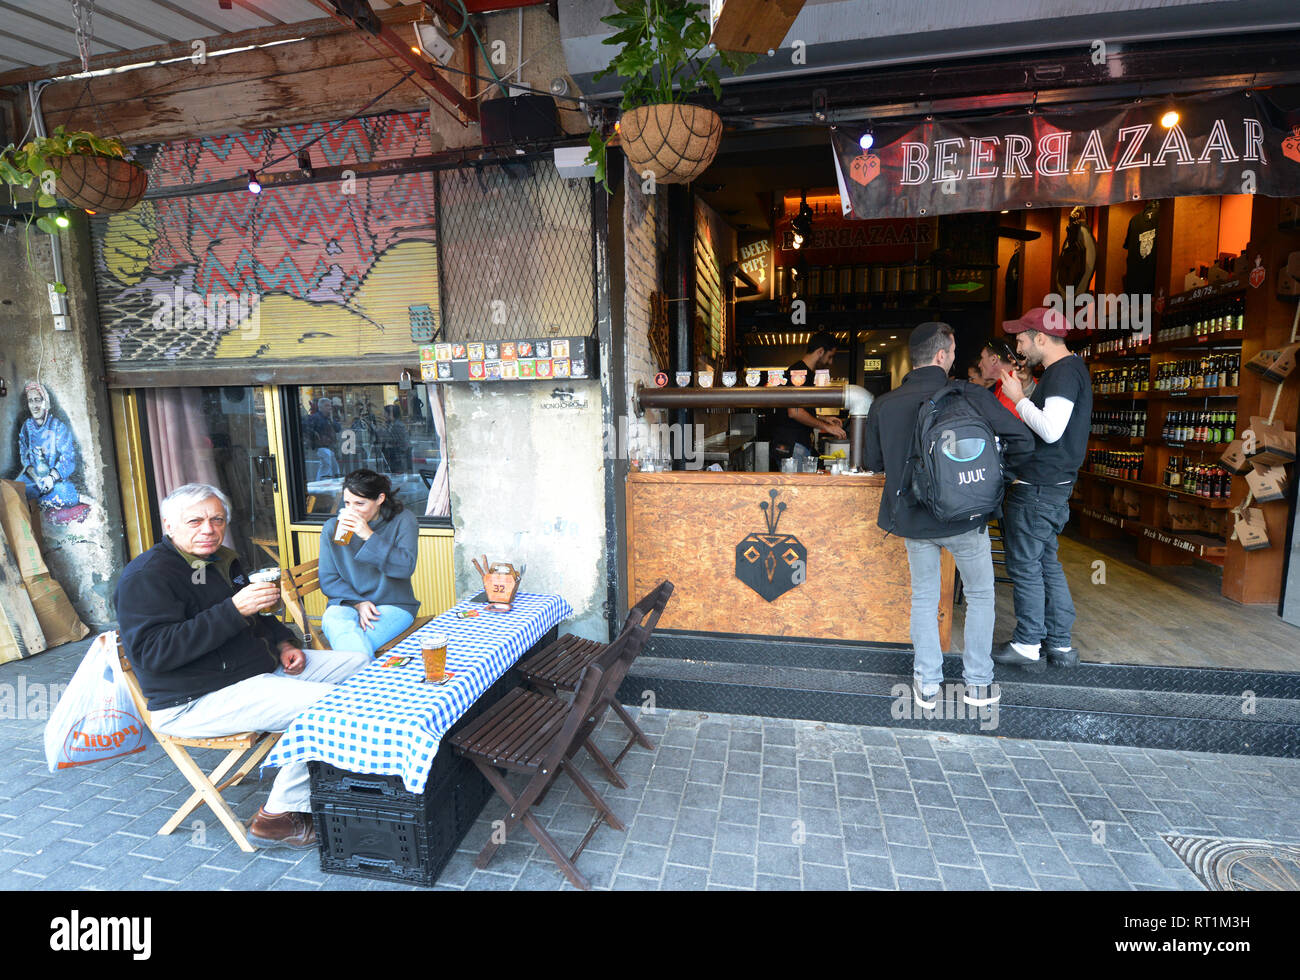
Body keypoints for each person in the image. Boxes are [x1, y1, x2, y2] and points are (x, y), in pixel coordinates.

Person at [115, 483, 369, 848]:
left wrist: (282, 643)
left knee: (360, 664)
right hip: (193, 699)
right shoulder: (147, 577)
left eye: (217, 519)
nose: (208, 529)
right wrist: (234, 610)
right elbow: (155, 653)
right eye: (196, 521)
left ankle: (340, 765)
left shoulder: (223, 559)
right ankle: (277, 817)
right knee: (326, 707)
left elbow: (259, 614)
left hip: (252, 671)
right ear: (169, 525)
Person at [864, 322, 1034, 709]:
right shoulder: (970, 396)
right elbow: (1022, 440)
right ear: (942, 356)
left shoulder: (884, 404)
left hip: (914, 519)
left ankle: (926, 686)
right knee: (979, 595)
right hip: (967, 518)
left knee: (924, 598)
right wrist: (994, 480)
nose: (955, 358)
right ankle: (977, 686)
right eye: (954, 352)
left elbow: (873, 463)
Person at [992, 306, 1093, 671]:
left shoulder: (1064, 372)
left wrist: (1019, 397)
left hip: (1036, 489)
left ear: (1040, 337)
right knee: (1046, 564)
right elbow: (1054, 419)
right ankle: (1060, 646)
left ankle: (1028, 644)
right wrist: (1030, 388)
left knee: (1026, 568)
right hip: (1050, 488)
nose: (1017, 345)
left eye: (1021, 337)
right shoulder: (1065, 371)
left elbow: (1050, 430)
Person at [318, 469, 420, 656]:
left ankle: (357, 682)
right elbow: (328, 579)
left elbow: (405, 568)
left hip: (394, 603)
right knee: (334, 620)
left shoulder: (403, 520)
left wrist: (369, 536)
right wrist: (359, 603)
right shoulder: (332, 528)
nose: (351, 510)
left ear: (380, 499)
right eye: (347, 503)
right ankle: (366, 682)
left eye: (360, 503)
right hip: (347, 603)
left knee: (351, 647)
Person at [770, 330, 846, 469]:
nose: (831, 362)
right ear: (820, 351)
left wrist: (823, 418)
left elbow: (799, 408)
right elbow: (794, 412)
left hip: (795, 444)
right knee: (797, 490)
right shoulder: (799, 373)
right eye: (830, 356)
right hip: (792, 445)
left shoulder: (806, 373)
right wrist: (826, 427)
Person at [17, 381, 82, 511]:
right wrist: (35, 476)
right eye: (31, 401)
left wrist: (51, 478)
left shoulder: (58, 427)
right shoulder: (27, 426)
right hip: (33, 480)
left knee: (67, 493)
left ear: (45, 402)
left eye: (38, 400)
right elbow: (24, 452)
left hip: (55, 481)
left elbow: (68, 457)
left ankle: (42, 500)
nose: (35, 406)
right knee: (14, 492)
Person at [978, 338, 1024, 417]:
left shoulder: (1015, 387)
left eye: (982, 358)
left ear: (994, 359)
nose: (979, 365)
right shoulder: (1003, 386)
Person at [303, 397, 341, 478]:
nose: (330, 408)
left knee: (333, 465)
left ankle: (332, 478)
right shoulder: (315, 417)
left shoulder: (329, 418)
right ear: (320, 407)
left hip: (330, 446)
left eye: (330, 405)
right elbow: (306, 428)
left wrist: (331, 420)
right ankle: (323, 480)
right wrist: (314, 435)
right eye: (327, 406)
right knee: (326, 464)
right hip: (321, 446)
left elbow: (338, 429)